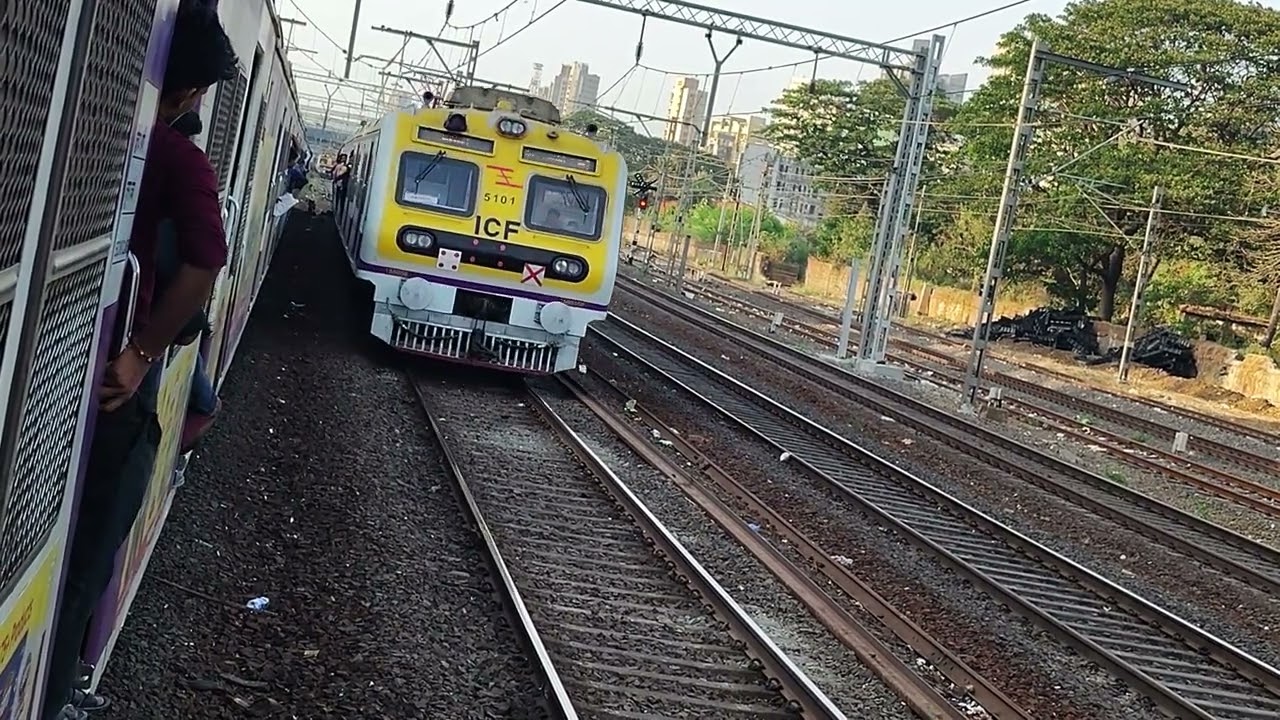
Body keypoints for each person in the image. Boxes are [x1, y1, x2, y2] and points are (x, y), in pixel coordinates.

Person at [42, 4, 237, 719]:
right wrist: (140, 352)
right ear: (189, 91)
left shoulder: (86, 117)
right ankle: (52, 694)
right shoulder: (174, 154)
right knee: (86, 553)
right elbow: (205, 263)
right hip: (104, 383)